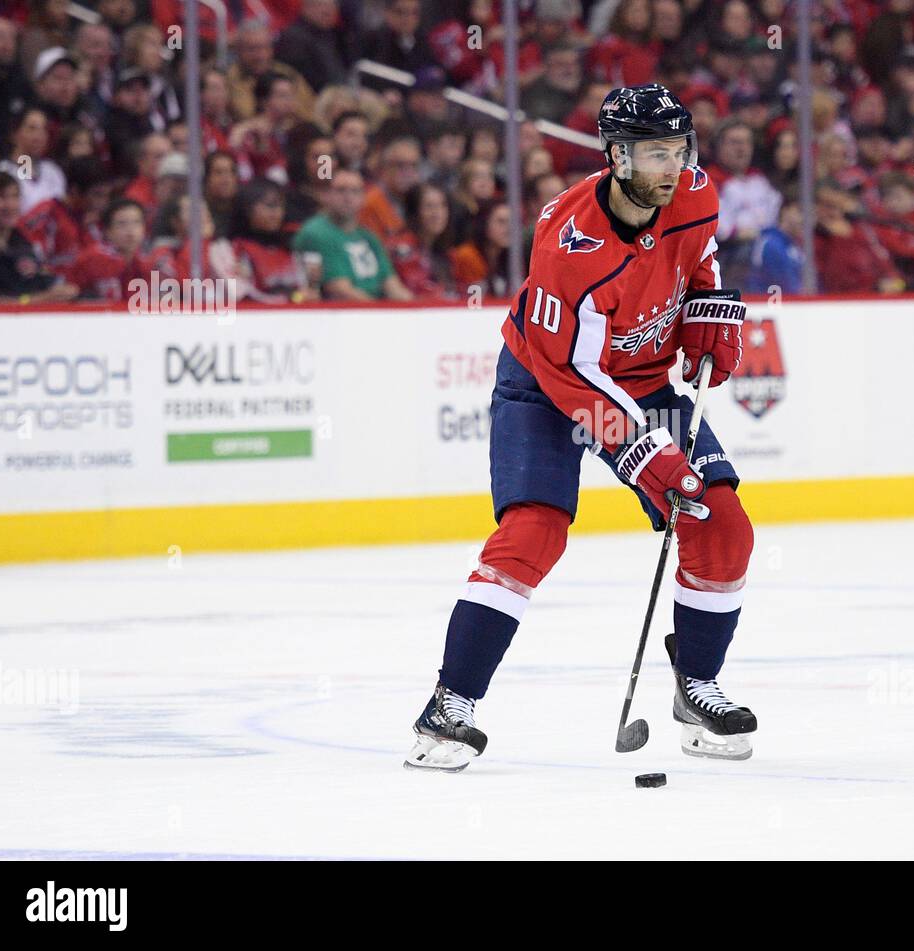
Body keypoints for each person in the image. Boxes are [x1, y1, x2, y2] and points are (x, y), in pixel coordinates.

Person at [407, 84, 757, 771]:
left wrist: (709, 306)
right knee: (533, 531)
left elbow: (700, 253)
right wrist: (646, 453)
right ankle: (449, 704)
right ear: (617, 154)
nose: (672, 166)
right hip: (545, 384)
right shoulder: (569, 244)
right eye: (656, 153)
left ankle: (697, 685)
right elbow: (571, 375)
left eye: (678, 149)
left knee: (721, 520)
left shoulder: (693, 192)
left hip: (643, 377)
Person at [293, 166, 411, 301]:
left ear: (363, 197)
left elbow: (393, 285)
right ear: (326, 195)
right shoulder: (316, 233)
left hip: (373, 311)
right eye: (341, 190)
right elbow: (340, 291)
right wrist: (381, 313)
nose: (348, 197)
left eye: (355, 191)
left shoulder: (368, 237)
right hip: (339, 315)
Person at [0, 170, 77, 303]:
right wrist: (39, 299)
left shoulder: (24, 241)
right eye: (1, 197)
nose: (10, 205)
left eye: (15, 197)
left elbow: (44, 279)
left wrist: (61, 290)